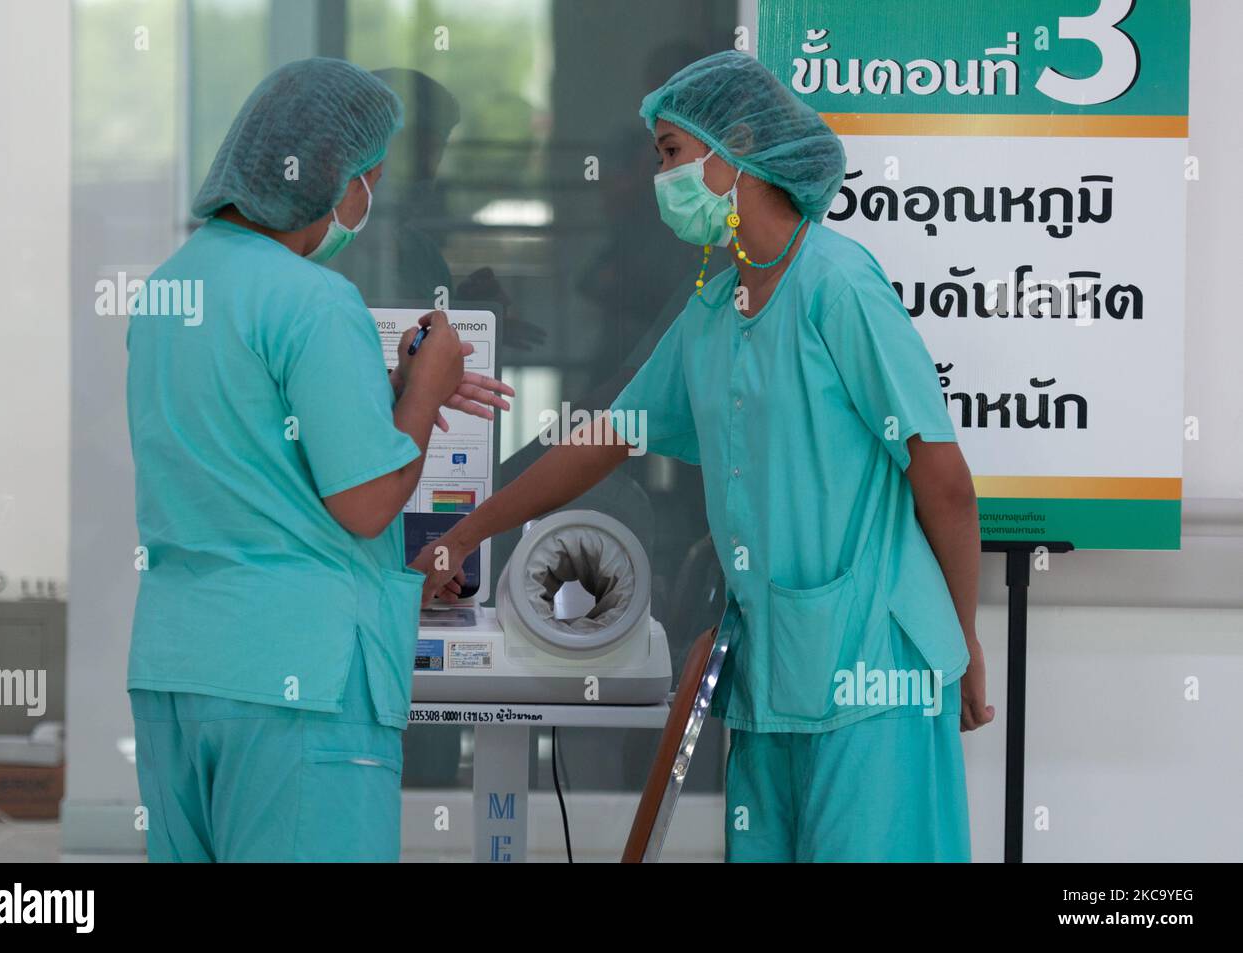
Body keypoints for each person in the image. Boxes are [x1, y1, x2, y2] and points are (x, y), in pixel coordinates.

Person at [414, 50, 994, 862]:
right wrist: (469, 530)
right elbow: (598, 441)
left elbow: (945, 481)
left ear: (740, 150)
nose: (662, 179)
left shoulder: (838, 286)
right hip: (769, 684)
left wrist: (961, 647)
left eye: (673, 154)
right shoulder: (716, 308)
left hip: (878, 678)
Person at [125, 57, 510, 862]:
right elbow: (368, 503)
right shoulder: (314, 299)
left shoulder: (168, 290)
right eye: (369, 175)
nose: (368, 198)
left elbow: (250, 452)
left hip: (180, 669)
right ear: (334, 177)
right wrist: (427, 390)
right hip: (298, 681)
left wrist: (400, 391)